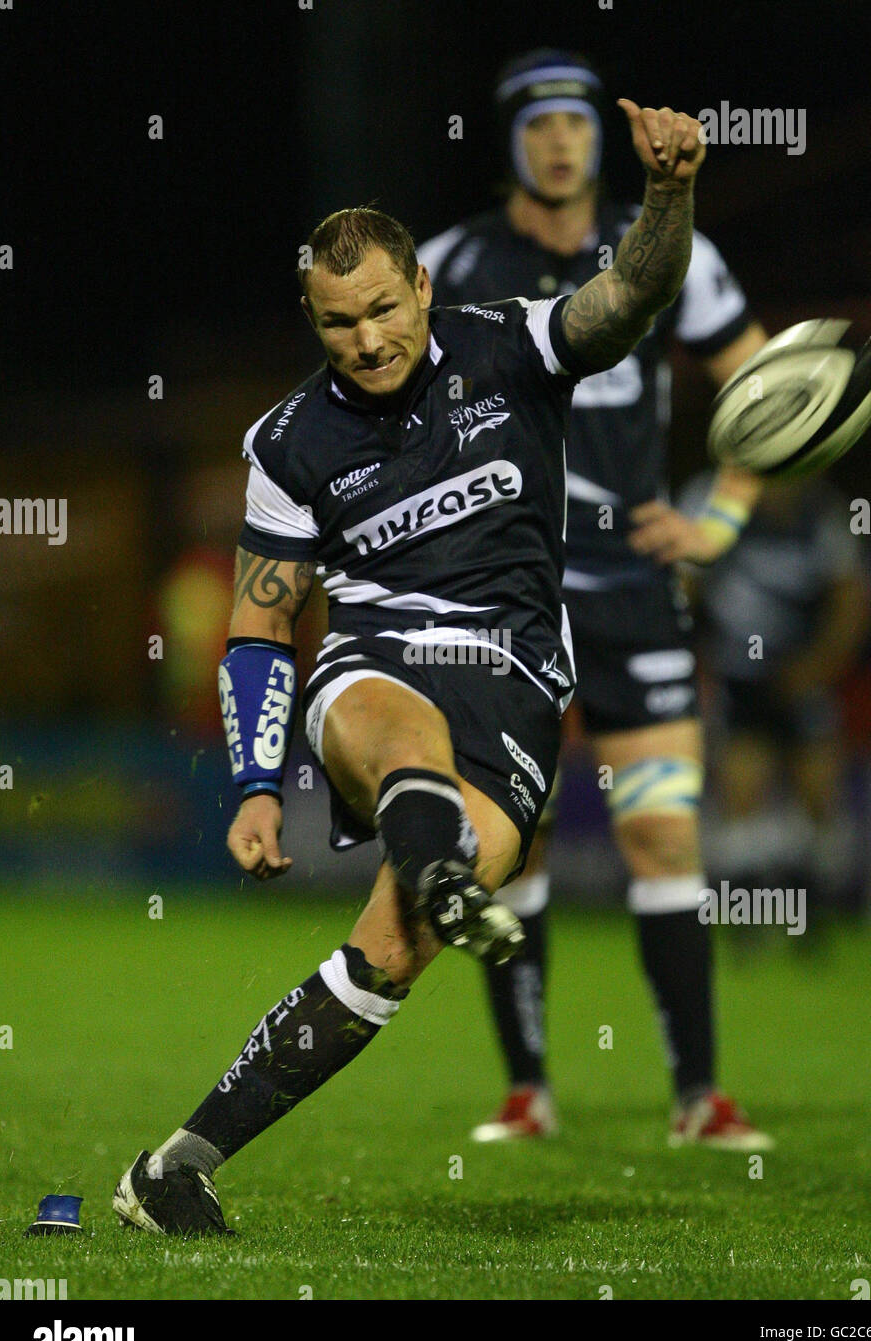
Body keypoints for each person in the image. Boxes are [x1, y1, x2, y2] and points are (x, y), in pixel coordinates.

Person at [113, 95, 706, 1235]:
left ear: (422, 289)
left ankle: (170, 1170)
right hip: (378, 664)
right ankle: (437, 853)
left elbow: (632, 293)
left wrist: (670, 191)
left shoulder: (512, 345)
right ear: (312, 319)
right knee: (403, 735)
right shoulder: (289, 445)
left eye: (383, 309)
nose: (368, 340)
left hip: (523, 684)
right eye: (338, 324)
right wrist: (251, 784)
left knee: (388, 953)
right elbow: (258, 623)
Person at [418, 50, 773, 1149]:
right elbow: (400, 417)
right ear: (512, 141)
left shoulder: (672, 249)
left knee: (663, 838)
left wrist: (719, 515)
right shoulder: (449, 263)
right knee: (505, 847)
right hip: (503, 603)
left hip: (629, 593)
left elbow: (765, 382)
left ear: (597, 137)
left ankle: (696, 1098)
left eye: (578, 120)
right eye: (540, 123)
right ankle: (527, 1091)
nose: (562, 139)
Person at [681, 475, 871, 930]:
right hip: (737, 673)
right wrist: (696, 656)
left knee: (818, 793)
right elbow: (683, 586)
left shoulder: (821, 514)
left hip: (802, 673)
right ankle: (747, 912)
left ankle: (811, 911)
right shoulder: (711, 502)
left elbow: (852, 601)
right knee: (742, 791)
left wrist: (819, 665)